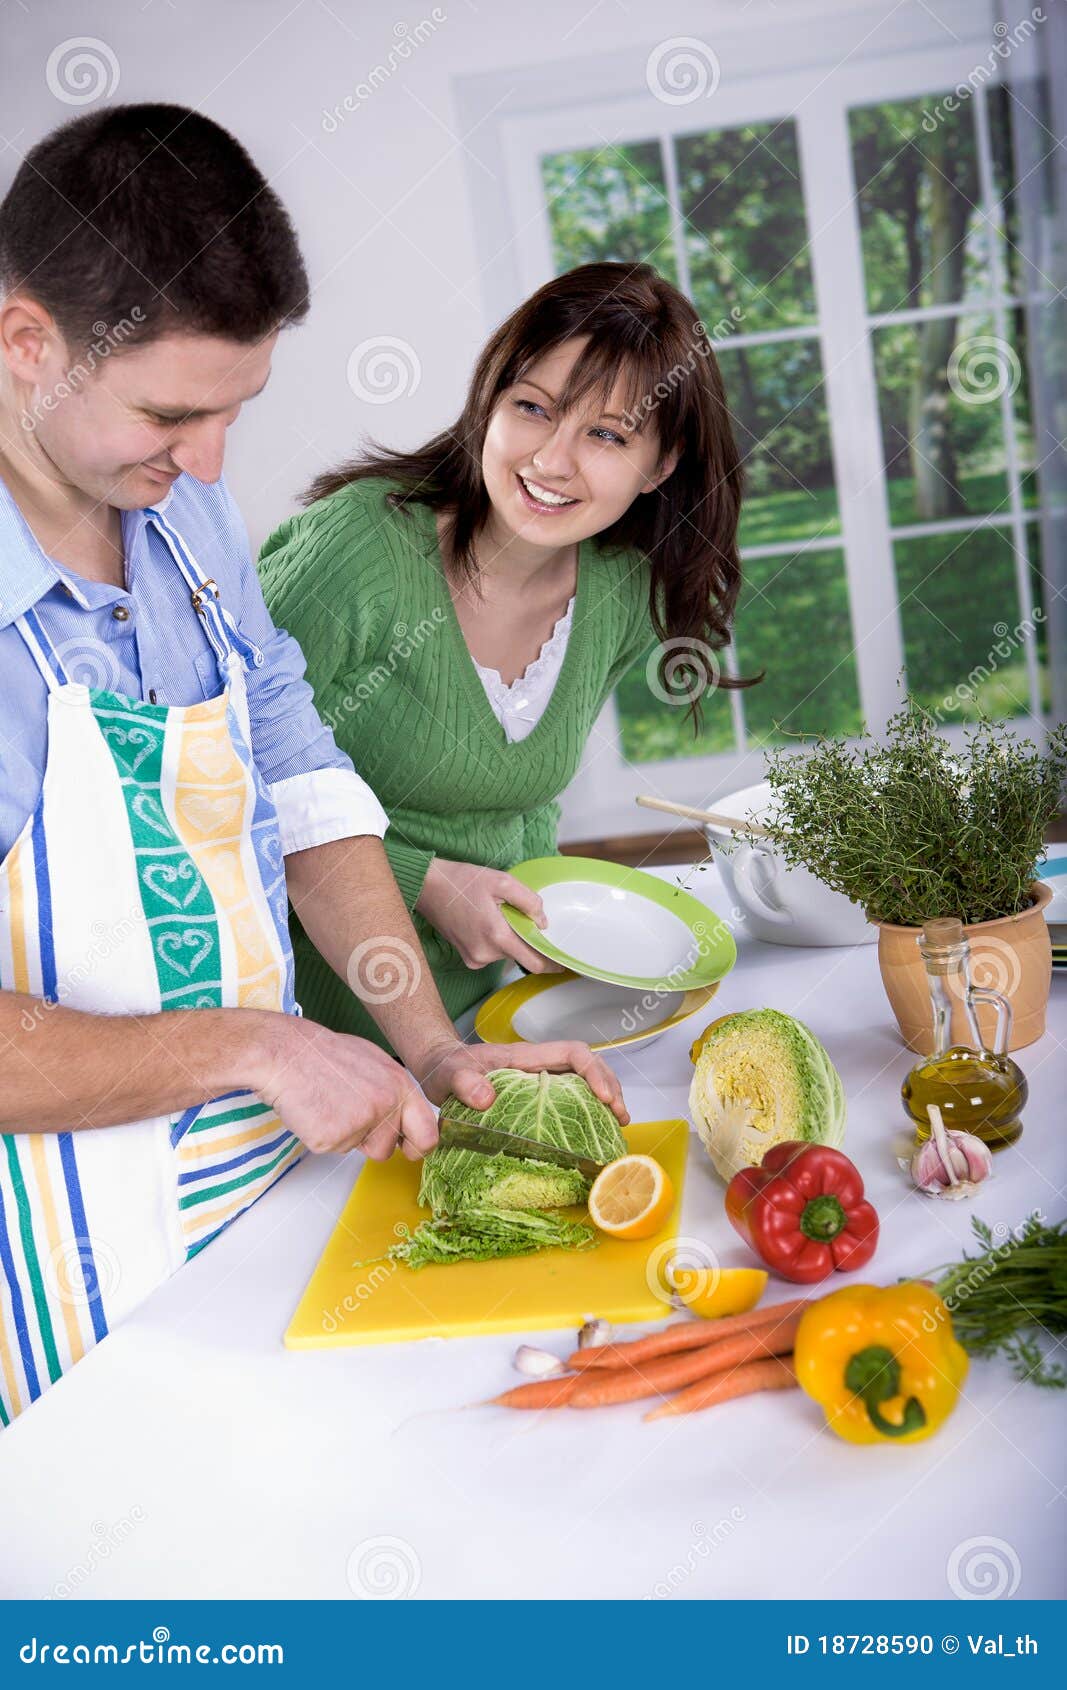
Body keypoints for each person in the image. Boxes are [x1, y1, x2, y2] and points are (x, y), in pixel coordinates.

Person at [0, 104, 623, 1427]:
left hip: (259, 1207)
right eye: (171, 412)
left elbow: (298, 781)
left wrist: (433, 1048)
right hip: (63, 1296)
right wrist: (255, 1044)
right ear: (25, 342)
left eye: (236, 411)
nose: (212, 462)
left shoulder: (185, 514)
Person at [259, 261, 751, 1048]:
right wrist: (425, 885)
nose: (551, 461)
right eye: (532, 408)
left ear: (660, 466)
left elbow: (520, 807)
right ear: (488, 401)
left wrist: (557, 953)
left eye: (606, 434)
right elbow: (214, 787)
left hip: (492, 1016)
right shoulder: (358, 551)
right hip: (310, 1031)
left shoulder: (622, 590)